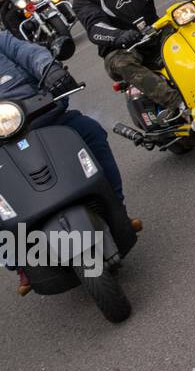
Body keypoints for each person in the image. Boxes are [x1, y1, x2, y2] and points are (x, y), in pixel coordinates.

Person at [0, 31, 137, 294]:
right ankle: (16, 260)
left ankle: (117, 208)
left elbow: (28, 52)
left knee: (90, 131)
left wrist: (48, 69)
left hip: (38, 115)